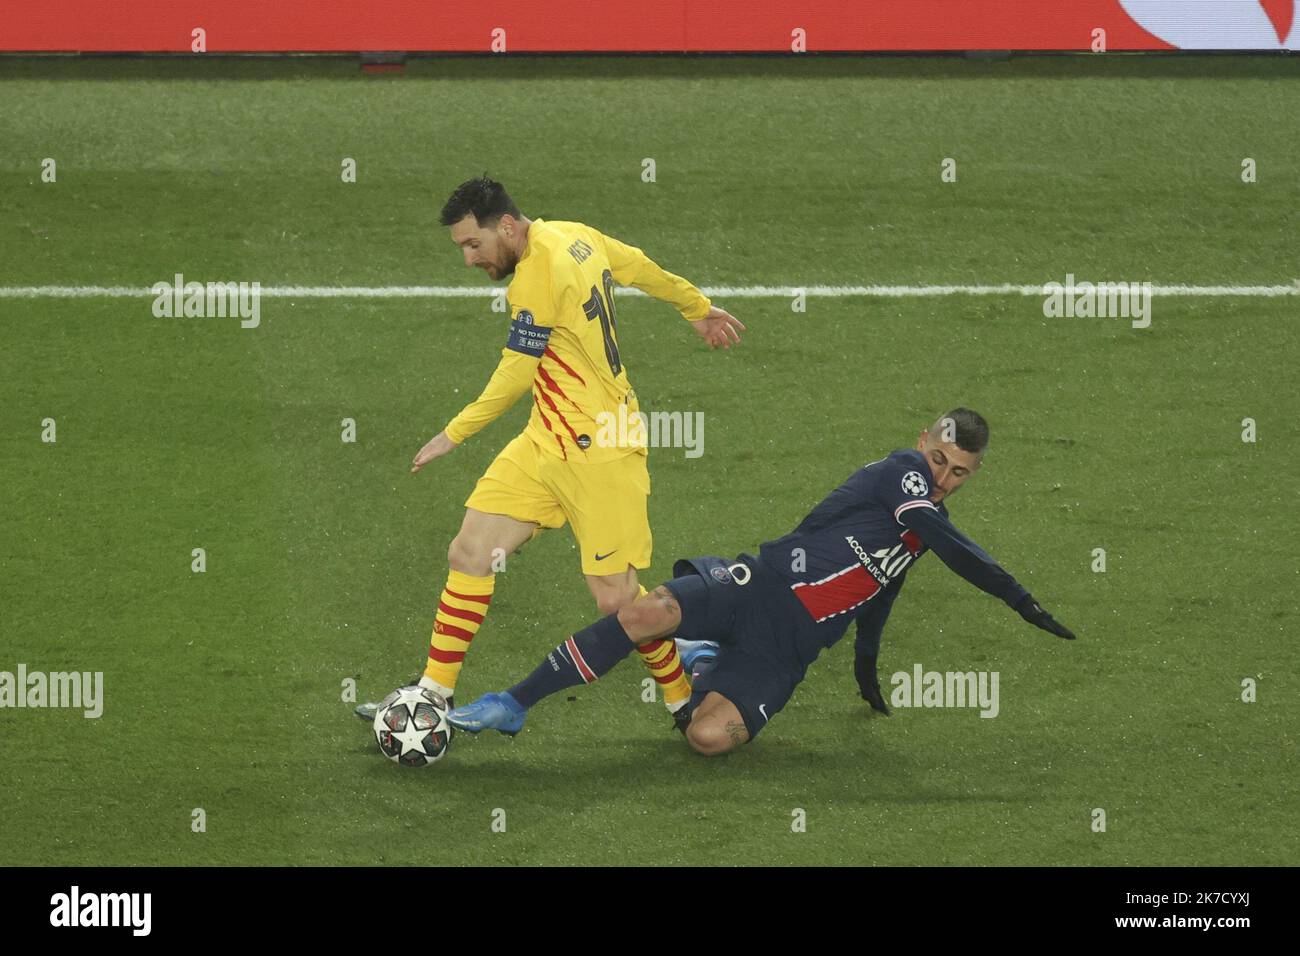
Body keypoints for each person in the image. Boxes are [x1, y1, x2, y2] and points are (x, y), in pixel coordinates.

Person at [447, 409, 1077, 754]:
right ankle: (513, 704)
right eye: (939, 460)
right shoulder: (901, 473)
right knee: (643, 615)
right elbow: (944, 536)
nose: (943, 479)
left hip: (787, 652)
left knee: (706, 737)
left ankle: (704, 663)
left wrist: (866, 673)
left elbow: (878, 597)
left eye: (959, 473)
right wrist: (1020, 600)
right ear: (922, 443)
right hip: (759, 584)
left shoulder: (925, 530)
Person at [356, 176, 744, 724]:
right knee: (470, 552)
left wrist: (454, 433)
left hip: (602, 452)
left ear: (508, 226)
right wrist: (696, 307)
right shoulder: (574, 234)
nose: (469, 260)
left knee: (618, 604)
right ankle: (432, 694)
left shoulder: (537, 274)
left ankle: (683, 697)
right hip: (545, 442)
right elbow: (637, 265)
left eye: (474, 245)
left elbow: (517, 371)